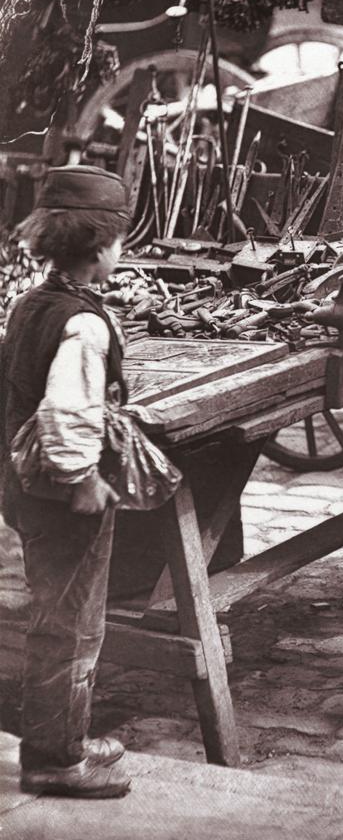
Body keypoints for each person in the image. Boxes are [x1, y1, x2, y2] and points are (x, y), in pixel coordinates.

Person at [1, 165, 132, 798]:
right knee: (69, 624)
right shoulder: (83, 325)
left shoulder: (31, 304)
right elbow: (66, 411)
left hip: (25, 489)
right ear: (101, 247)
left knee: (65, 617)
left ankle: (66, 737)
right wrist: (83, 480)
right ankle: (54, 758)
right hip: (61, 495)